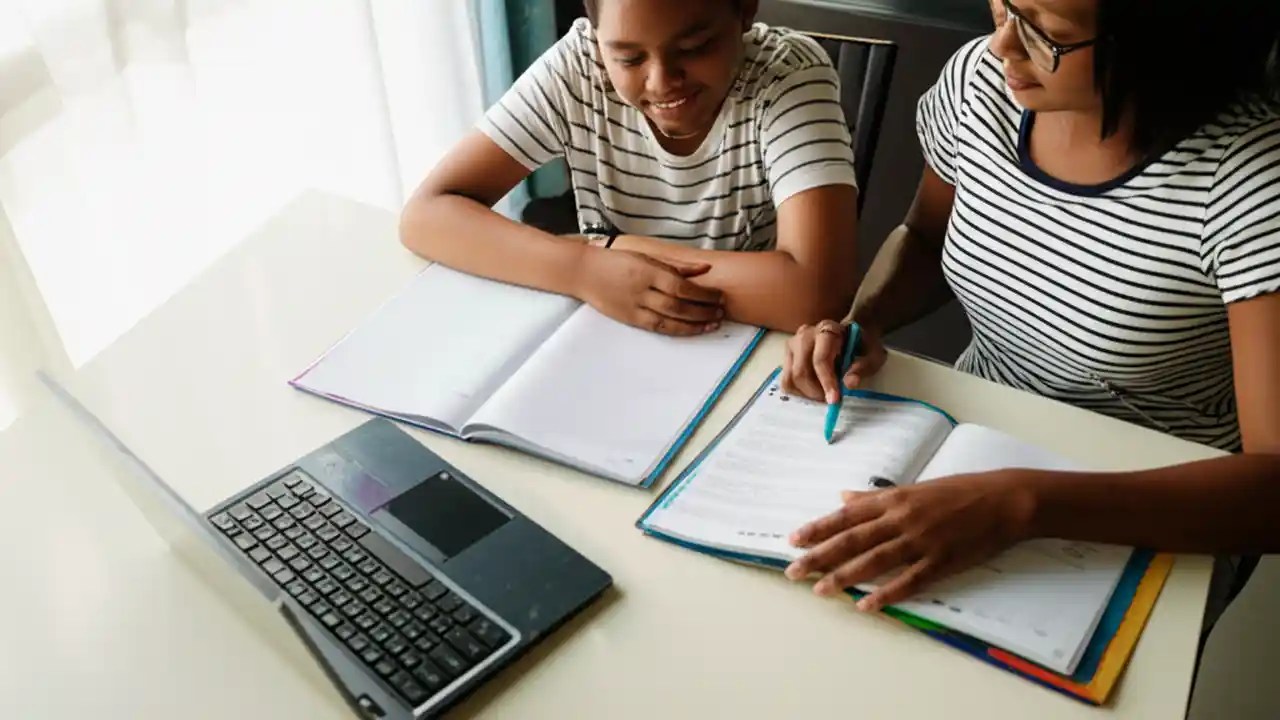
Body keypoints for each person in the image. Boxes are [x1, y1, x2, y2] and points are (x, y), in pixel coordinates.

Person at [778, 0, 1280, 629]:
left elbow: (1271, 485)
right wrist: (859, 323)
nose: (1001, 47)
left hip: (1154, 505)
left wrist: (1021, 502)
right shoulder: (981, 87)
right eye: (1004, 7)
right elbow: (927, 237)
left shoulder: (1253, 182)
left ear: (1160, 48)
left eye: (1047, 34)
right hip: (971, 449)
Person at [399, 0, 859, 336]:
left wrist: (612, 249)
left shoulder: (788, 78)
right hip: (610, 331)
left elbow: (815, 292)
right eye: (629, 58)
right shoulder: (579, 68)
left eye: (695, 47)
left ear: (744, 11)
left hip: (741, 341)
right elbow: (426, 216)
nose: (660, 82)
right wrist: (582, 268)